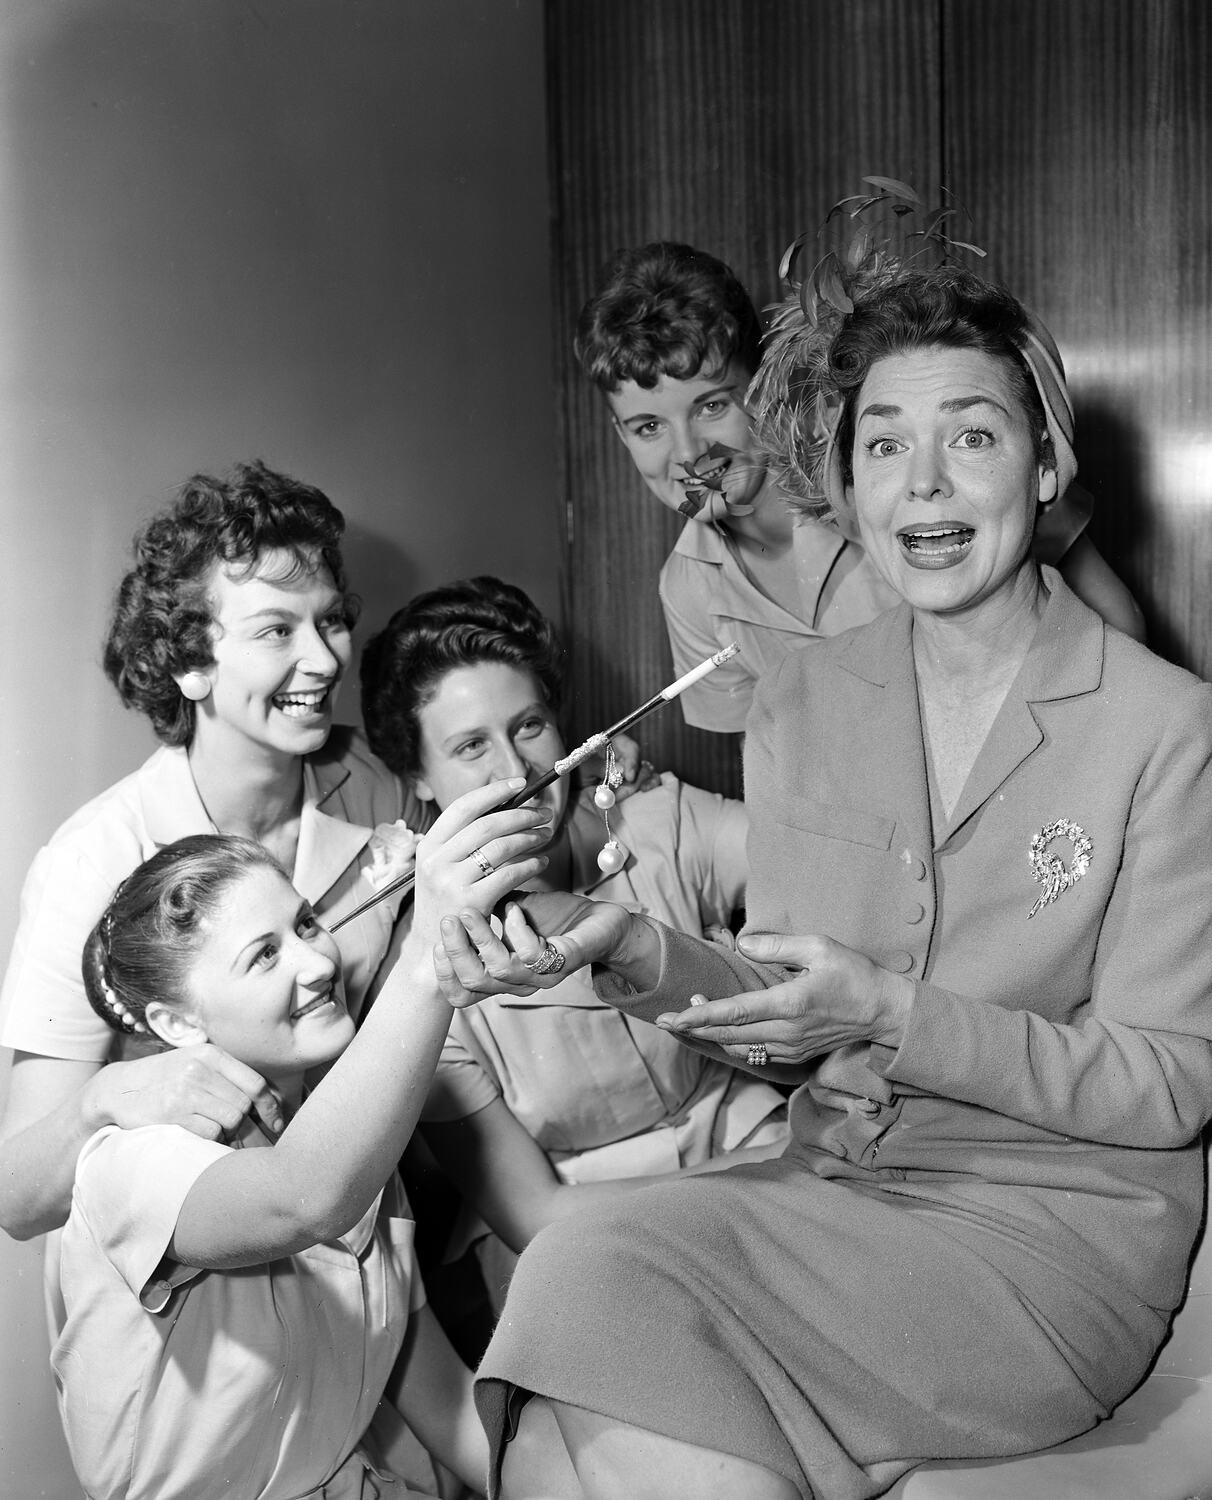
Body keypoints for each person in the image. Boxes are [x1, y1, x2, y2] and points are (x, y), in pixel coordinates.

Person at [438, 263, 1212, 1499]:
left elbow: (1168, 1086)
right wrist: (625, 949)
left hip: (1051, 1241)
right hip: (837, 1180)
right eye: (885, 446)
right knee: (575, 1284)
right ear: (847, 489)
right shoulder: (798, 695)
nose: (926, 485)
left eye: (973, 435)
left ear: (1049, 468)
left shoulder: (1168, 729)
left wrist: (895, 1019)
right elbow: (787, 1010)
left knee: (577, 1418)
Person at [53, 782, 550, 1500]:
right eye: (262, 956)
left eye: (308, 925)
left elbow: (453, 1417)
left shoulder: (364, 1159)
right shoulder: (131, 1166)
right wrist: (427, 958)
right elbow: (301, 1198)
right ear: (177, 1024)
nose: (317, 964)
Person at [0, 461, 421, 1253]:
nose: (328, 661)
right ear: (189, 663)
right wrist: (108, 1098)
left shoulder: (382, 793)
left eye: (330, 620)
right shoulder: (93, 862)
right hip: (191, 1327)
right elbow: (16, 1198)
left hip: (374, 1272)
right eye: (275, 631)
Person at [359, 576, 789, 1309]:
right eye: (470, 747)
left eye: (528, 726)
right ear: (419, 780)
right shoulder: (425, 983)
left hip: (752, 1135)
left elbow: (821, 862)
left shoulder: (655, 817)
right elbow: (536, 1215)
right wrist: (779, 1172)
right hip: (590, 1236)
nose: (517, 772)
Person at [576, 240, 1146, 734]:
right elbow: (766, 758)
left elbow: (1117, 633)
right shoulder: (687, 589)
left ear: (761, 388)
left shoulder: (893, 482)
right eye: (648, 426)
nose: (688, 454)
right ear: (619, 434)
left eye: (711, 406)